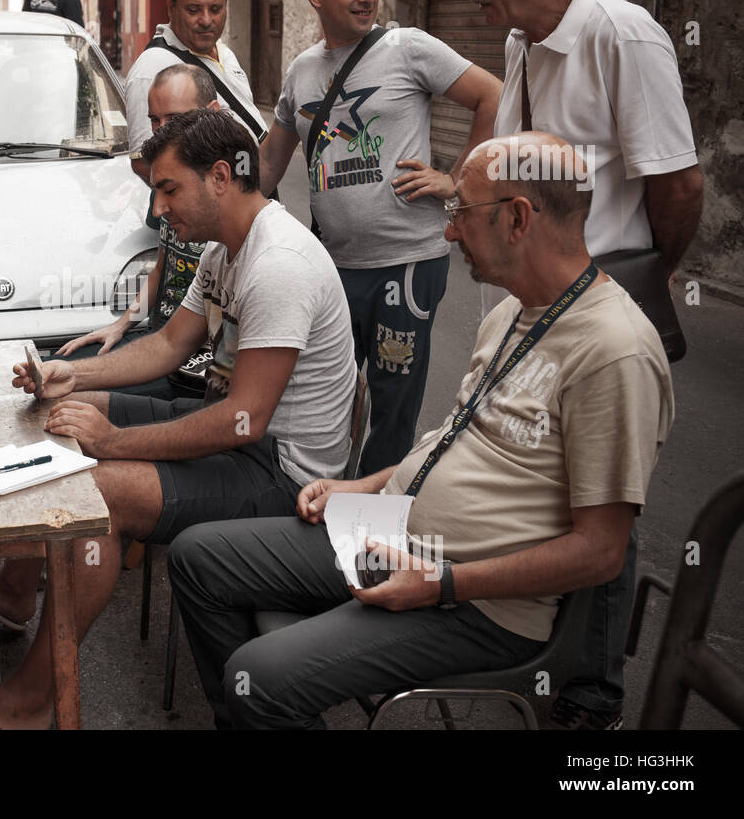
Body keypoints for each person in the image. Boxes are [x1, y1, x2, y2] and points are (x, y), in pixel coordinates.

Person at [169, 133, 674, 729]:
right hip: (395, 535)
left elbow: (600, 552)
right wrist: (363, 486)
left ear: (517, 219)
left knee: (259, 680)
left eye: (461, 210)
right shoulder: (510, 311)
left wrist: (440, 583)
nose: (449, 230)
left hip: (478, 604)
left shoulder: (615, 350)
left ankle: (264, 707)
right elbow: (459, 438)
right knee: (197, 557)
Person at [0, 108, 356, 729]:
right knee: (61, 410)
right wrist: (74, 375)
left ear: (221, 177)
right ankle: (13, 590)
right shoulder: (228, 249)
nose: (159, 210)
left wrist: (115, 443)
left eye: (169, 189)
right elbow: (171, 344)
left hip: (282, 475)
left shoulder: (279, 262)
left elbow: (242, 422)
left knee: (99, 493)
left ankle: (35, 699)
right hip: (231, 432)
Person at [457, 0, 703, 729]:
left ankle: (589, 706)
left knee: (606, 509)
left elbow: (678, 182)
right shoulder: (526, 38)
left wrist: (637, 279)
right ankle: (543, 661)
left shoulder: (624, 36)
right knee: (551, 491)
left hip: (598, 312)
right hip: (540, 308)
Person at [259, 0, 502, 473]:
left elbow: (493, 96)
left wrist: (457, 180)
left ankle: (372, 519)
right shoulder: (302, 71)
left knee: (393, 405)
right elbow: (269, 164)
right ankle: (318, 495)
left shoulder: (408, 48)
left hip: (406, 264)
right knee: (325, 392)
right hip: (330, 267)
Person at [56, 64, 220, 394]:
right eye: (154, 121)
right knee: (71, 366)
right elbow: (164, 264)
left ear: (211, 114)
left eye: (173, 120)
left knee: (86, 396)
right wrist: (121, 324)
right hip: (159, 338)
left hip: (196, 361)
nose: (160, 132)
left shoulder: (223, 197)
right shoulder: (165, 181)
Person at [124, 0, 266, 184]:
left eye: (216, 9)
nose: (206, 20)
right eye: (193, 10)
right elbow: (144, 163)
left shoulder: (224, 52)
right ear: (171, 7)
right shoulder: (151, 69)